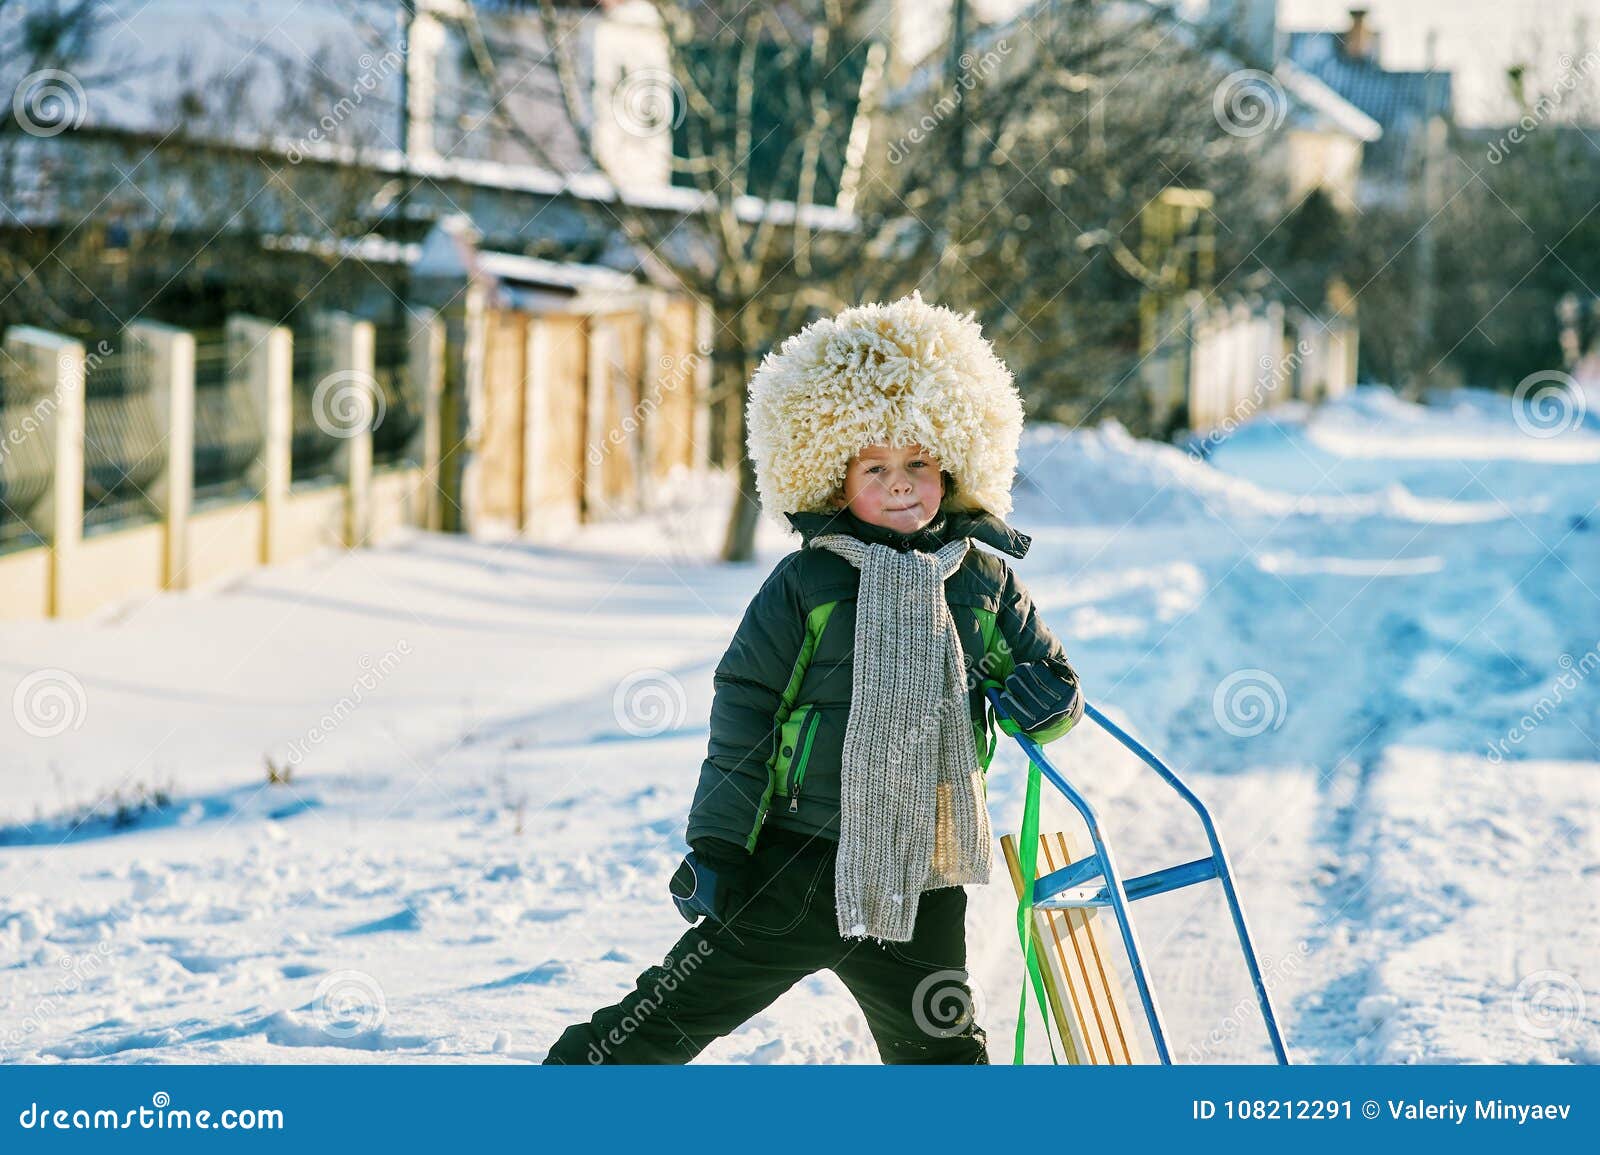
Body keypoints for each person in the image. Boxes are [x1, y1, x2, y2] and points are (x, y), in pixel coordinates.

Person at [542, 291, 1084, 1065]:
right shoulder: (807, 585)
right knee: (667, 1015)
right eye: (875, 466)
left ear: (955, 463)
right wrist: (720, 848)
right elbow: (746, 709)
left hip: (922, 878)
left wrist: (1051, 700)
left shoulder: (981, 584)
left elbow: (1049, 680)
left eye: (919, 463)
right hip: (796, 864)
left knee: (944, 1052)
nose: (901, 484)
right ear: (833, 478)